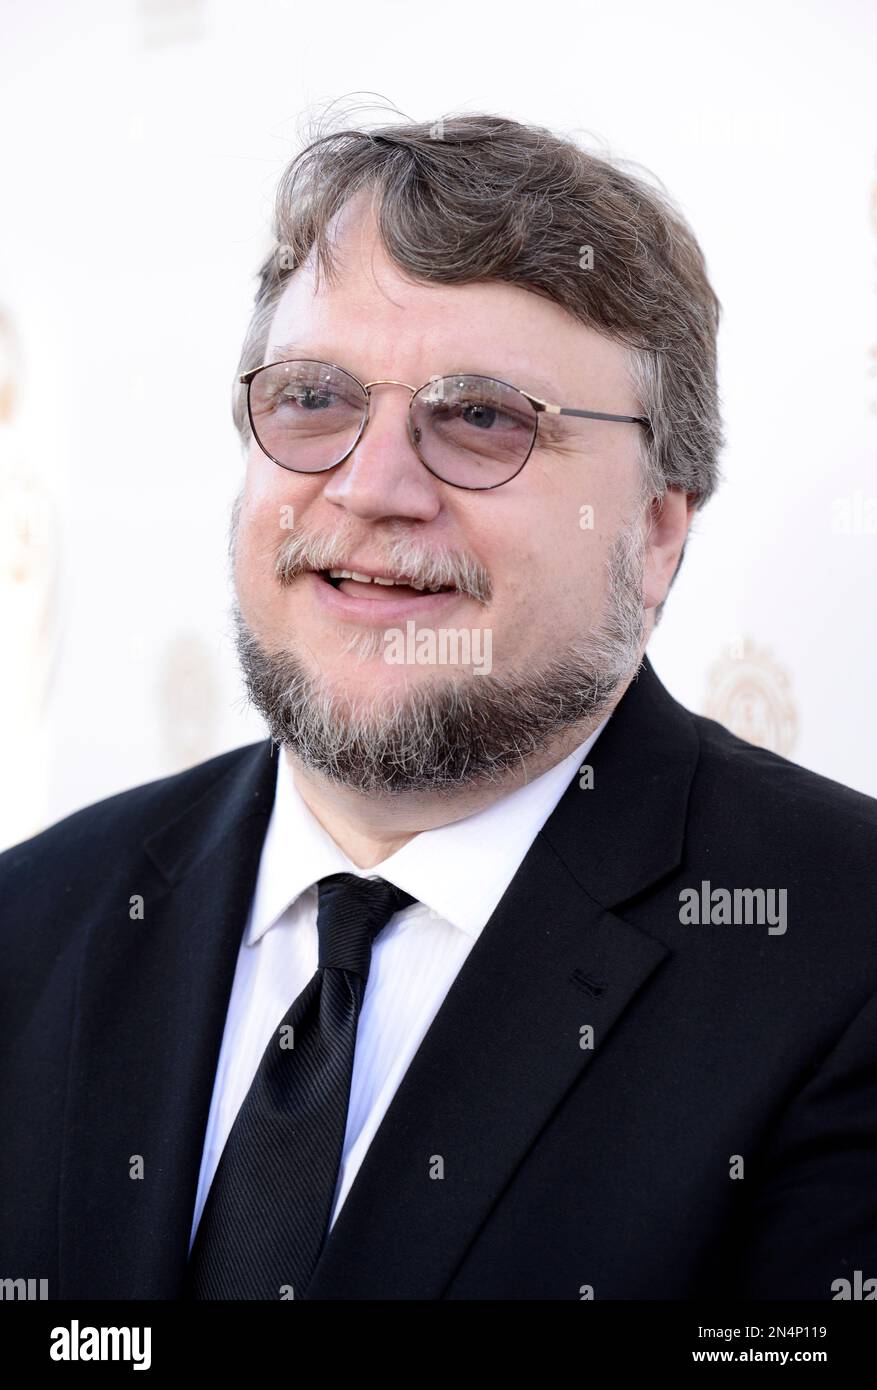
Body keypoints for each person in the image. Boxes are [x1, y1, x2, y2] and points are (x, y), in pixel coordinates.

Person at [2, 113, 875, 1302]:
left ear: (657, 526)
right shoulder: (31, 919)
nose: (370, 487)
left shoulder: (840, 957)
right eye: (314, 398)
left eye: (481, 419)